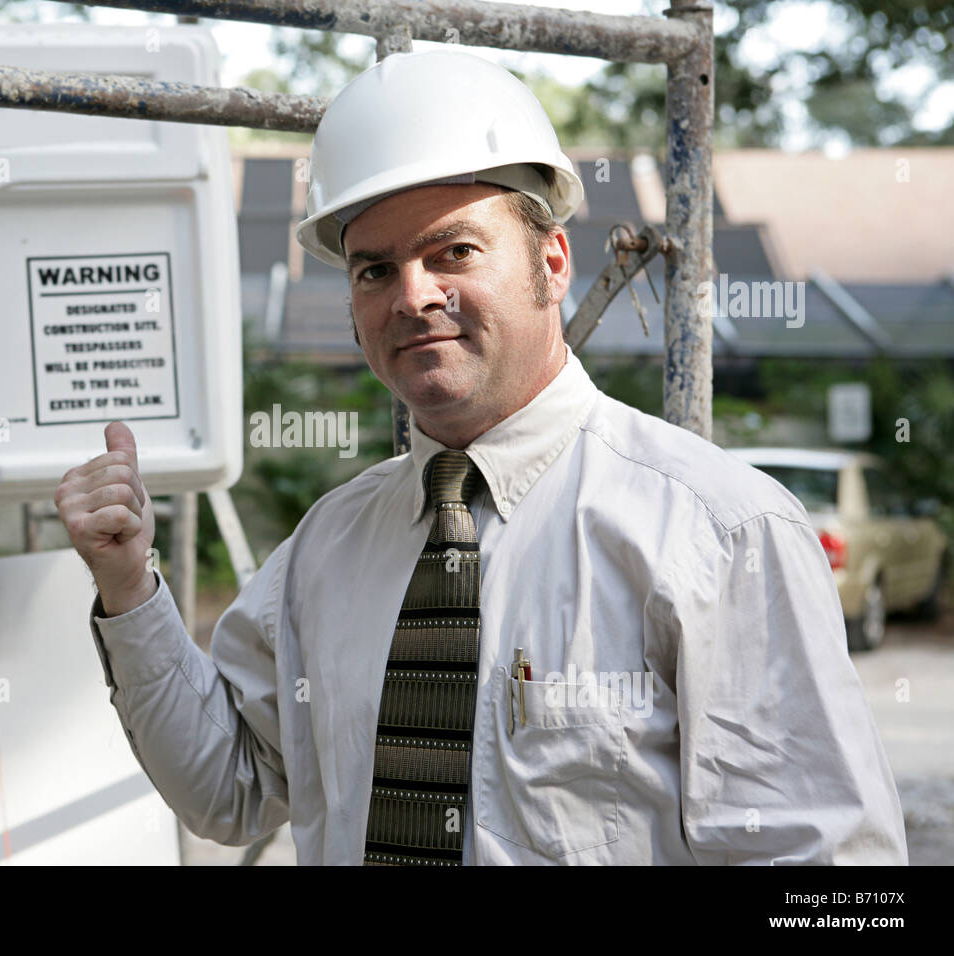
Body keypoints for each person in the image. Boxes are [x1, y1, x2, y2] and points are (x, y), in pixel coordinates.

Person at [55, 49, 907, 865]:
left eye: (453, 250)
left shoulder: (719, 533)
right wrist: (128, 586)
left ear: (551, 262)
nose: (414, 295)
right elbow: (227, 793)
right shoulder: (326, 551)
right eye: (374, 270)